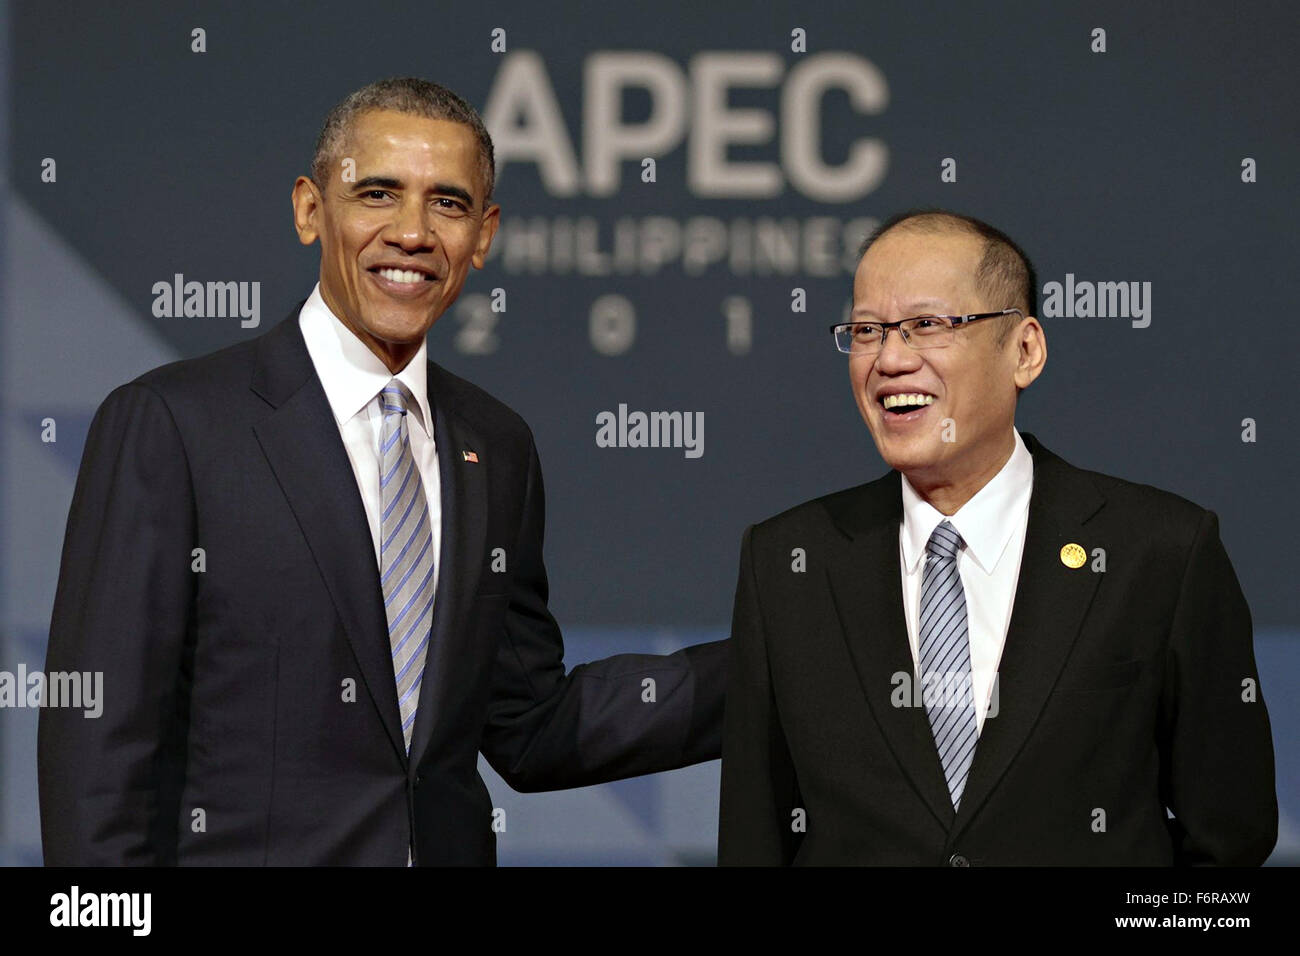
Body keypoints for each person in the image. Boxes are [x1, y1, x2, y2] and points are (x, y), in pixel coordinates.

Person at [38, 77, 726, 866]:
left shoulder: (496, 446)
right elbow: (97, 749)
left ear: (485, 235)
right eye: (377, 193)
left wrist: (781, 660)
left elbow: (530, 725)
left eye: (449, 203)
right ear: (309, 209)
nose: (413, 232)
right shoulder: (175, 425)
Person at [717, 210, 1277, 865]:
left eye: (928, 325)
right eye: (867, 330)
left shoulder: (1161, 551)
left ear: (1025, 351)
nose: (891, 359)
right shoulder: (788, 562)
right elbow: (756, 838)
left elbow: (1230, 835)